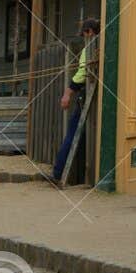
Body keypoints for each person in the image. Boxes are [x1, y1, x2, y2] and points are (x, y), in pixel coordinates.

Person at [53, 18, 98, 183]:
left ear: (89, 32)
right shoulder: (103, 46)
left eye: (84, 34)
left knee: (72, 133)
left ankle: (58, 172)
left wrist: (67, 93)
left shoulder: (89, 48)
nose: (84, 37)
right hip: (94, 96)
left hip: (86, 95)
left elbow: (81, 74)